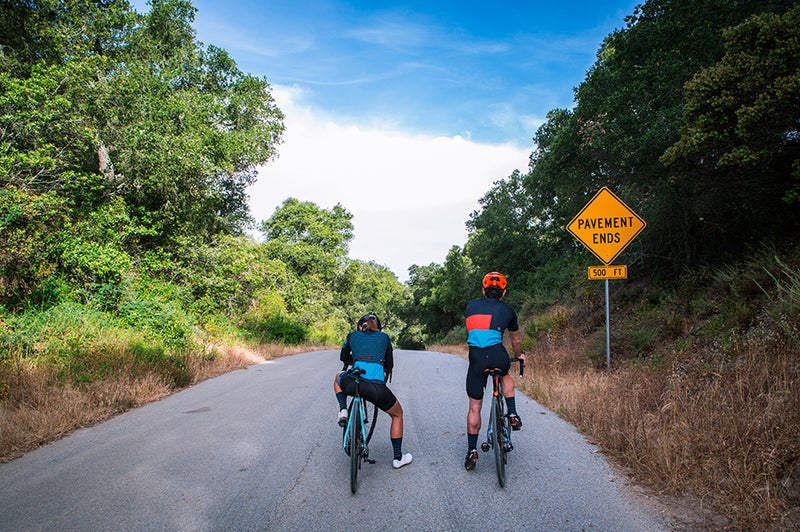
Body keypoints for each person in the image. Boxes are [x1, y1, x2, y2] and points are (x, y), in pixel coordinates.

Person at [463, 271, 526, 471]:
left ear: (483, 290)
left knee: (474, 407)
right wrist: (520, 355)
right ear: (504, 292)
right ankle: (513, 413)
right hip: (498, 355)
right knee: (504, 374)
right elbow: (515, 340)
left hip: (476, 359)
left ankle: (472, 451)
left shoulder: (470, 306)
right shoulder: (508, 310)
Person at [333, 312, 412, 469]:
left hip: (353, 382)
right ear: (379, 328)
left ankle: (343, 410)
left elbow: (343, 356)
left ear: (360, 326)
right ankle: (398, 458)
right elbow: (389, 363)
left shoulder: (351, 335)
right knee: (397, 414)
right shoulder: (384, 338)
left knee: (337, 377)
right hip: (376, 388)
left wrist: (355, 359)